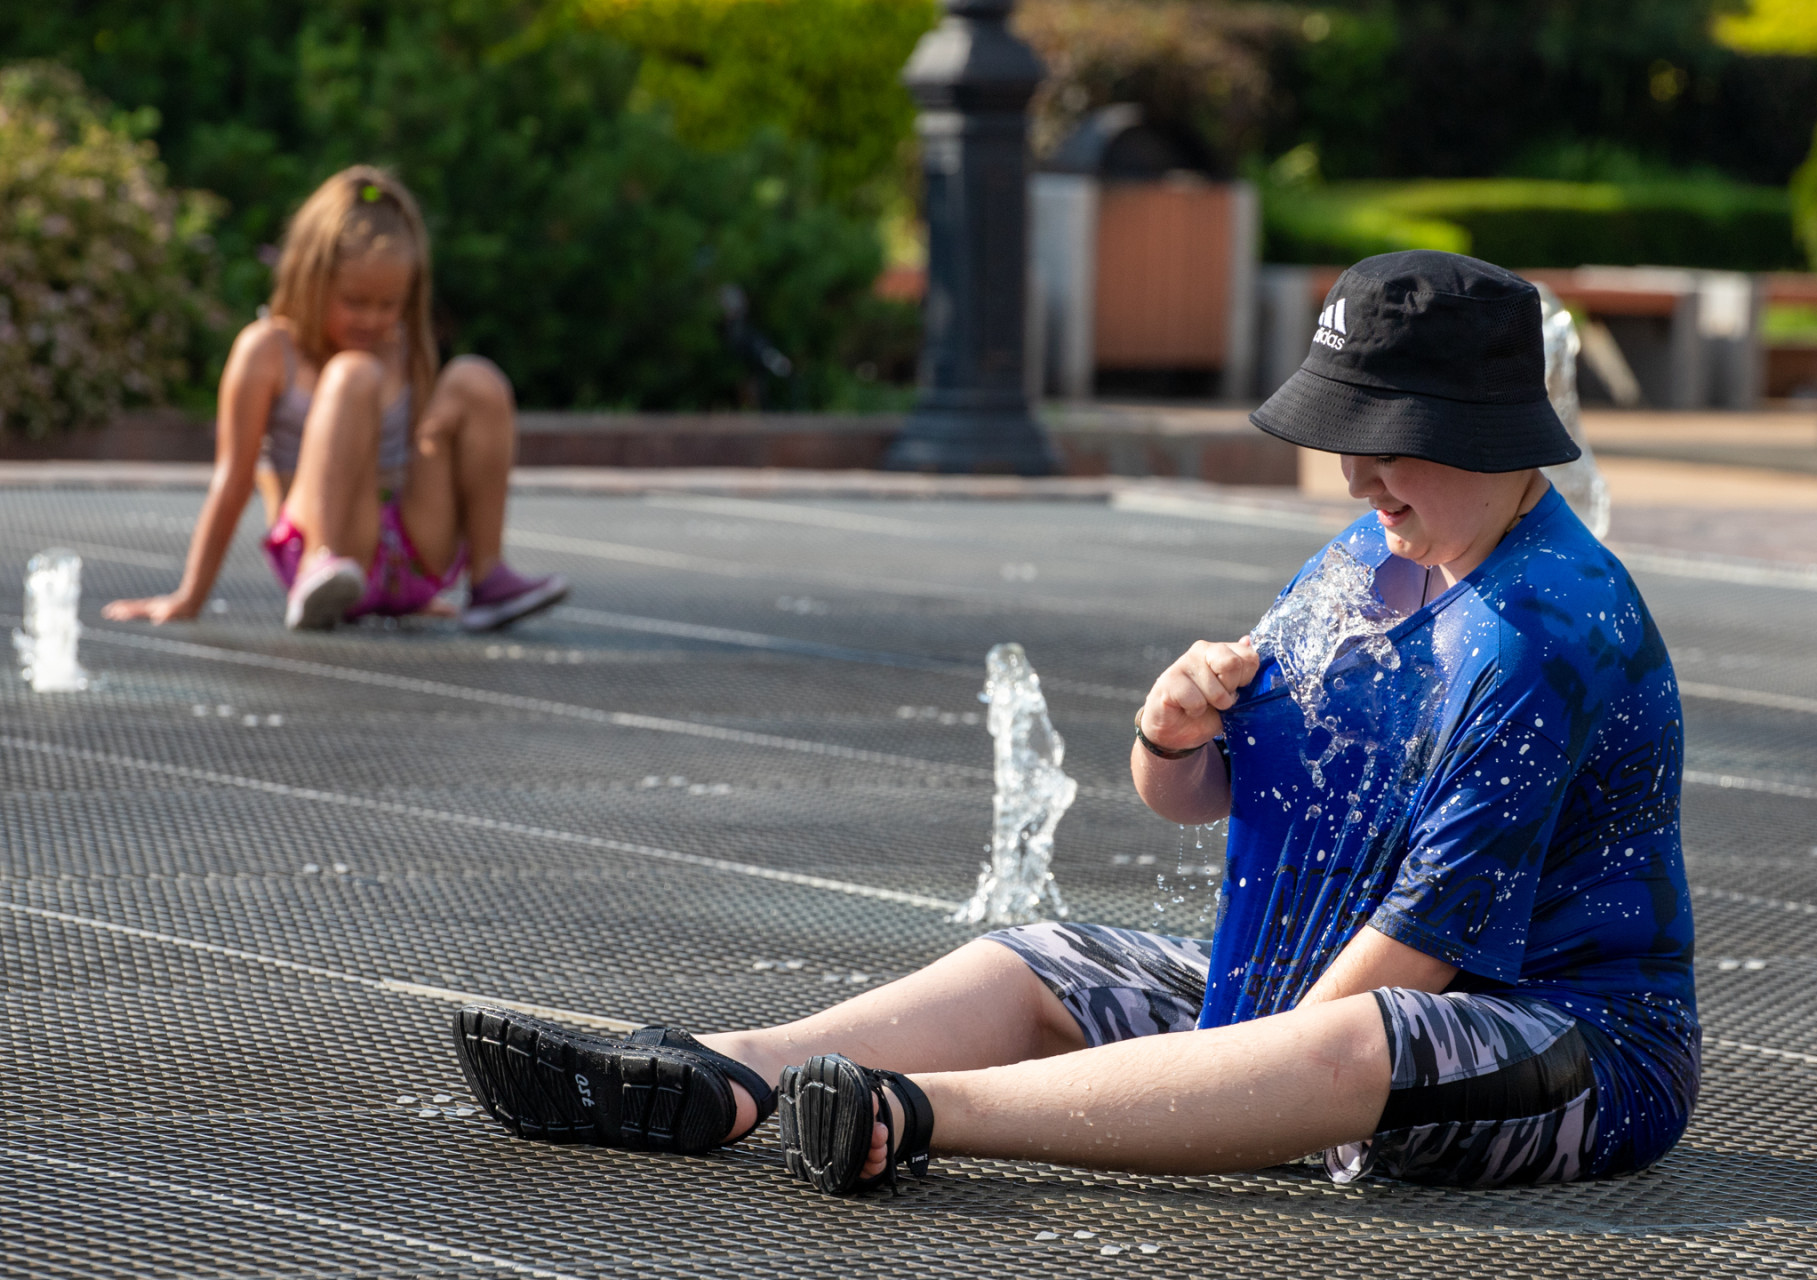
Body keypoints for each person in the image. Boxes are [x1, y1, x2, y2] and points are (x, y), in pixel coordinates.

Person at [450, 251, 1698, 1195]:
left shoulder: (1542, 638)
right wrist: (1176, 734)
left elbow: (1400, 976)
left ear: (1480, 435)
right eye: (1342, 443)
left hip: (1566, 1044)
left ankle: (915, 1109)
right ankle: (738, 1070)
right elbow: (1197, 799)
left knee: (1345, 1048)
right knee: (1040, 955)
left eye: (1384, 445)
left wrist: (1244, 1071)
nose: (1356, 477)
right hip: (1331, 999)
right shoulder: (1374, 557)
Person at [103, 165, 566, 632]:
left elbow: (422, 459)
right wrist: (189, 597)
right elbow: (234, 479)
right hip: (326, 546)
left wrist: (406, 592)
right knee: (352, 374)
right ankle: (320, 567)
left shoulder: (403, 345)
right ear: (311, 278)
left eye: (389, 305)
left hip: (407, 555)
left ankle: (489, 578)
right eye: (355, 301)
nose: (373, 319)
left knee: (475, 378)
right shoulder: (268, 350)